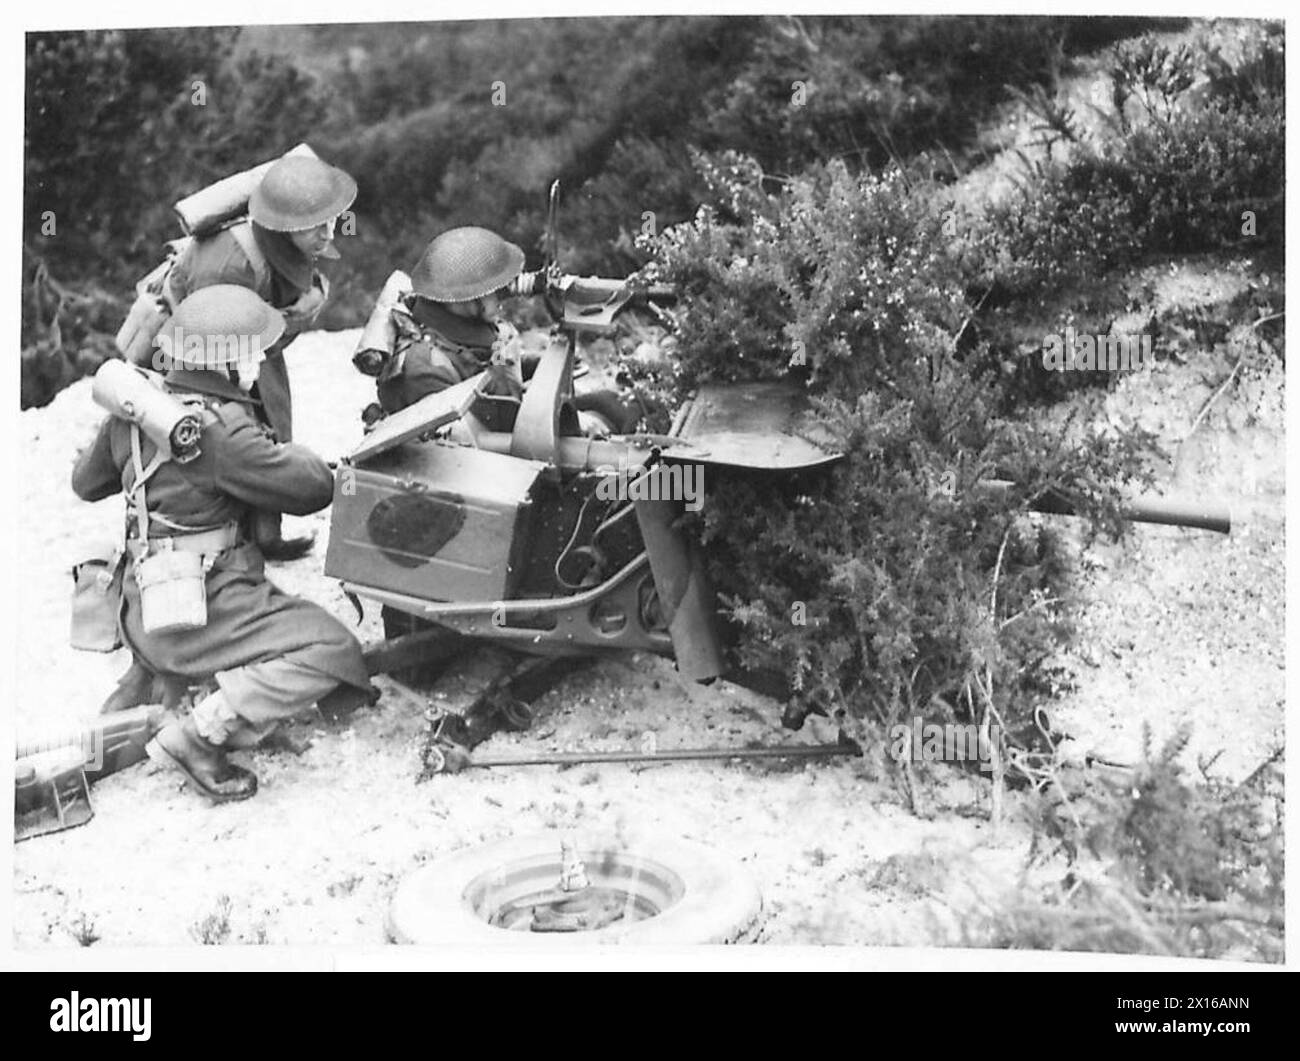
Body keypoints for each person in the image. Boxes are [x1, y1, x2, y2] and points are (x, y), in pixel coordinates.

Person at [72, 286, 373, 802]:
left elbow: (86, 483)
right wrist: (275, 445)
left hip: (143, 603)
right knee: (331, 646)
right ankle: (199, 735)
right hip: (195, 609)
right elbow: (311, 489)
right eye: (253, 353)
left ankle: (158, 687)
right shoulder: (220, 431)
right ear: (231, 361)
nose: (258, 363)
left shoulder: (142, 406)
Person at [167, 152, 358, 561]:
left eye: (332, 221)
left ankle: (265, 534)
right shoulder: (229, 264)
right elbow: (205, 334)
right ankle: (232, 537)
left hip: (253, 343)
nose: (329, 235)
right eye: (316, 227)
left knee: (273, 419)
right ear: (283, 227)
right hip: (201, 351)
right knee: (230, 435)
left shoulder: (287, 243)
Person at [368, 226, 527, 420]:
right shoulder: (426, 368)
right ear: (465, 298)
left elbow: (496, 362)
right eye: (493, 290)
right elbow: (463, 439)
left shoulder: (481, 332)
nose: (502, 297)